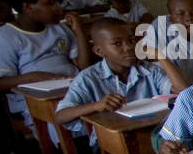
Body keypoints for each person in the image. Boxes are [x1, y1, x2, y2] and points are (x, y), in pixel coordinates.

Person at [0, 0, 89, 129]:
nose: (58, 8)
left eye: (57, 2)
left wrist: (79, 31)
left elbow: (83, 66)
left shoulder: (60, 29)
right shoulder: (4, 37)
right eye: (50, 3)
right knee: (59, 123)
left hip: (73, 89)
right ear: (28, 7)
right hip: (36, 101)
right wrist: (34, 77)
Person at [54, 17, 172, 146]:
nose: (128, 47)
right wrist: (95, 106)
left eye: (131, 41)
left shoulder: (149, 70)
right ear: (99, 51)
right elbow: (60, 116)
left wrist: (160, 56)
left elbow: (181, 90)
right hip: (110, 146)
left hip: (153, 136)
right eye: (117, 44)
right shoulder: (88, 78)